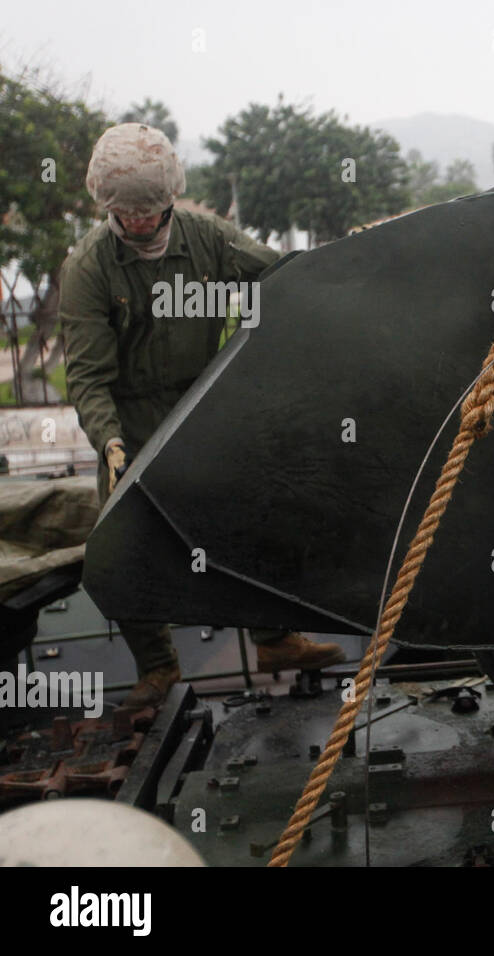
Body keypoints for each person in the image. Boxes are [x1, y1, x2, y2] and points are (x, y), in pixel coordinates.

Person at [60, 123, 346, 709]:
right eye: (125, 213)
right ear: (106, 206)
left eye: (149, 211)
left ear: (169, 200)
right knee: (124, 546)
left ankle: (274, 640)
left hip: (199, 409)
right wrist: (111, 445)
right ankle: (158, 668)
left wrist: (342, 273)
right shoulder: (89, 268)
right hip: (131, 420)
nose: (138, 223)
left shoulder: (207, 239)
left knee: (244, 518)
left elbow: (282, 275)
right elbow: (89, 377)